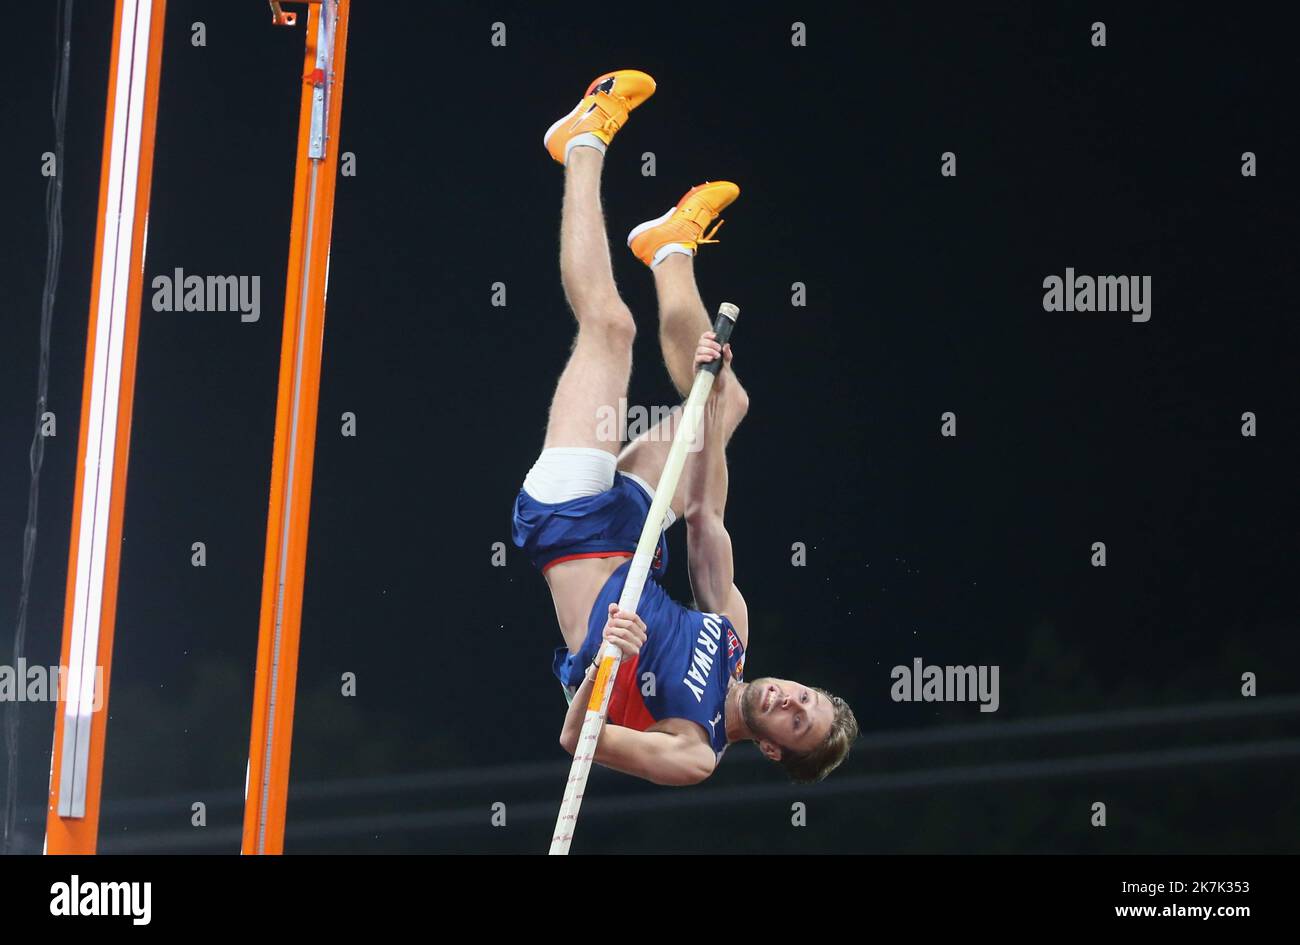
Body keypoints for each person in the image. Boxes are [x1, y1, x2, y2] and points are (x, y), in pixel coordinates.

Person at [512, 70, 857, 786]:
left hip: (572, 525)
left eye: (797, 722)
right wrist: (705, 388)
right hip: (634, 521)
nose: (790, 700)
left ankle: (579, 143)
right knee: (726, 404)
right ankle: (669, 249)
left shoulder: (695, 750)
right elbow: (703, 514)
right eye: (806, 697)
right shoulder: (733, 632)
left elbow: (580, 737)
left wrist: (608, 656)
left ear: (773, 749)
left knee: (609, 328)